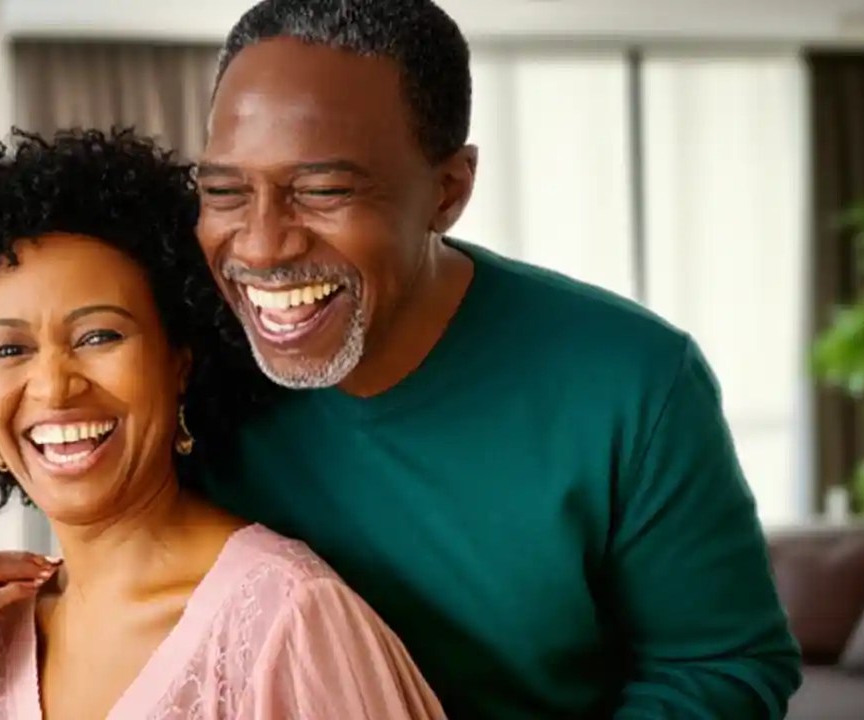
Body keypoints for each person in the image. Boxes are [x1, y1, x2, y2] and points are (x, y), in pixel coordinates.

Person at [192, 0, 803, 717]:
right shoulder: (188, 371)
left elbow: (725, 665)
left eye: (324, 191)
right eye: (225, 191)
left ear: (448, 191)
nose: (261, 246)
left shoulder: (631, 382)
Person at [0, 128, 444, 719]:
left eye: (99, 336)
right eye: (8, 350)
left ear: (180, 363)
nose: (52, 387)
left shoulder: (288, 621)